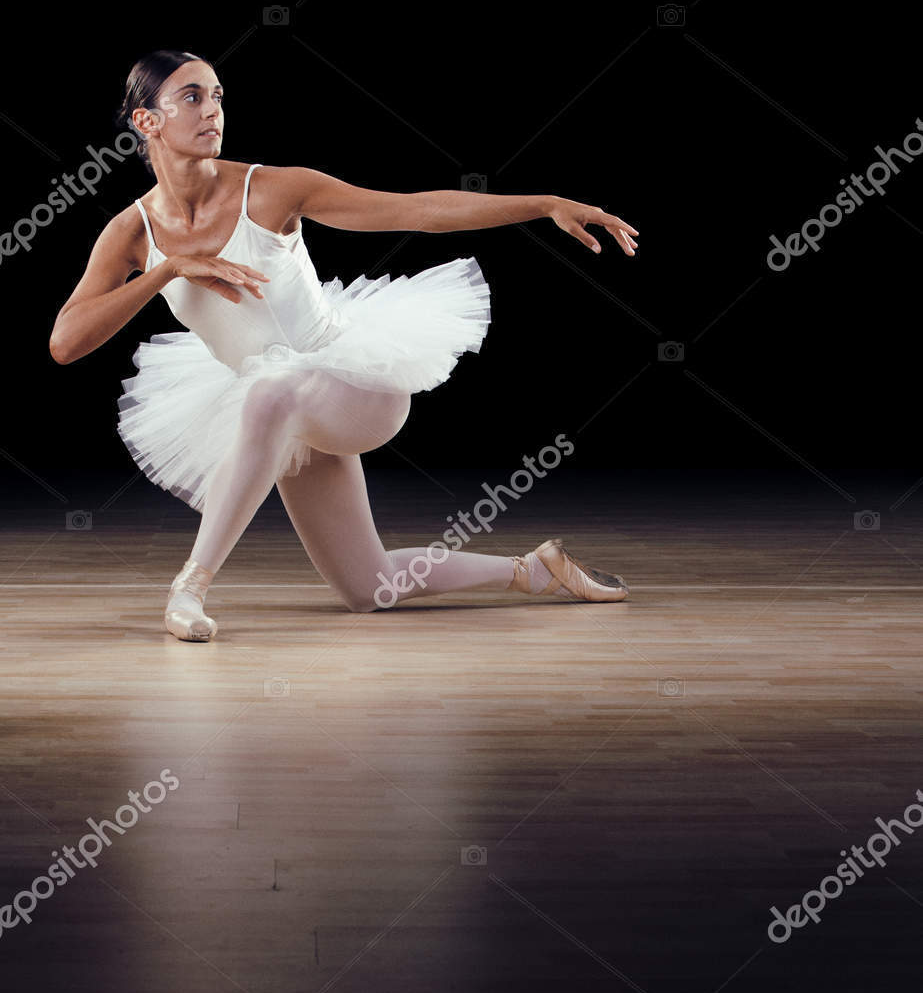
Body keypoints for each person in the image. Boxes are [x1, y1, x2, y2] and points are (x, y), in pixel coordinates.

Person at [49, 50, 639, 641]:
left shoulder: (273, 190)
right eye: (192, 97)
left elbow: (422, 211)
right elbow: (66, 342)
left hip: (358, 384)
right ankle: (534, 571)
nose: (213, 111)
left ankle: (189, 587)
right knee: (368, 587)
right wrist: (166, 270)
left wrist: (543, 204)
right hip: (286, 409)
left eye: (218, 95)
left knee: (271, 391)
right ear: (146, 122)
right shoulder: (130, 233)